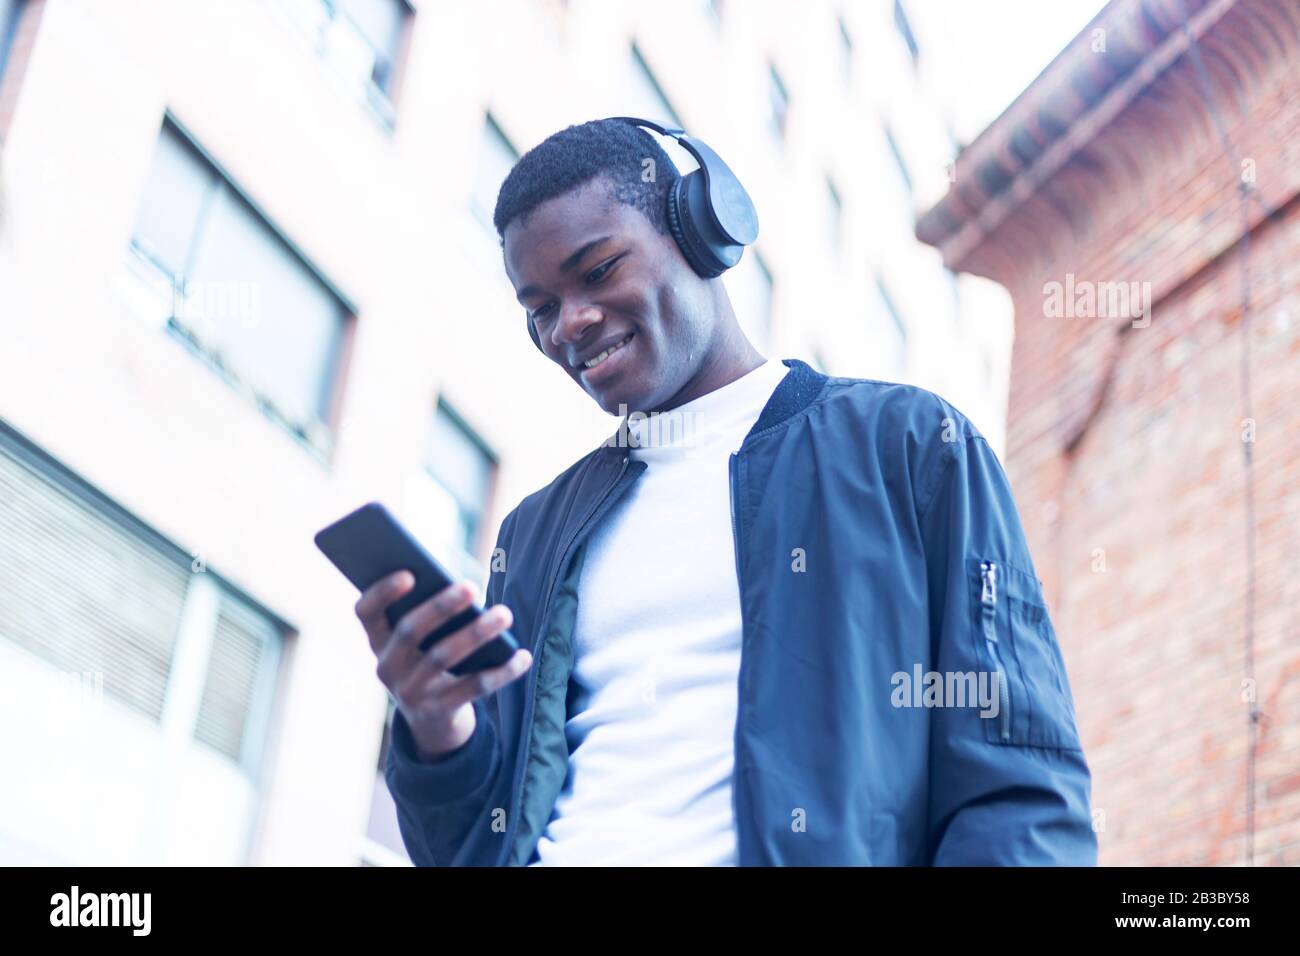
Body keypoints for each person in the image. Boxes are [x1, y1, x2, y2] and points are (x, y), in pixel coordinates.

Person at [354, 118, 1096, 866]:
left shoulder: (907, 446)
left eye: (600, 269)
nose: (569, 324)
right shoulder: (536, 531)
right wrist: (437, 728)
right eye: (540, 308)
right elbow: (467, 845)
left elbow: (1020, 792)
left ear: (703, 232)